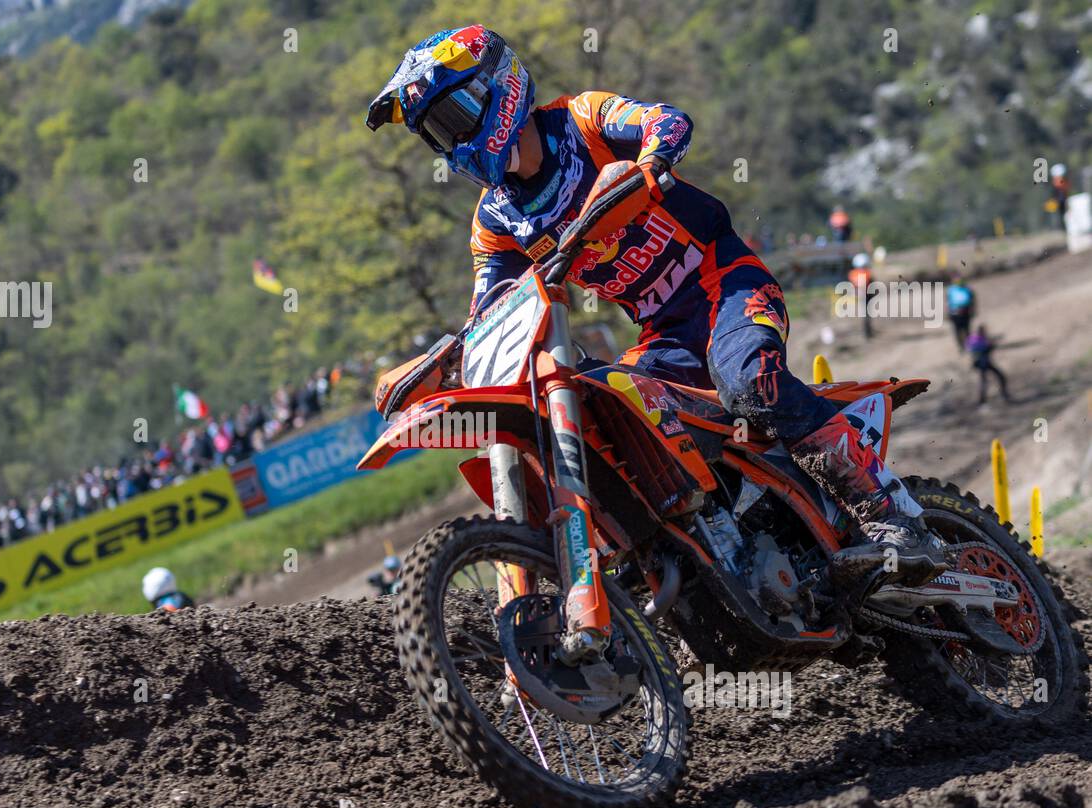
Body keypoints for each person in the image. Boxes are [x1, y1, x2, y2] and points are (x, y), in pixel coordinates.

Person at [366, 24, 945, 585]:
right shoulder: (496, 222)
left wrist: (650, 165)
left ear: (497, 89)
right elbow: (488, 309)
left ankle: (894, 517)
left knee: (747, 383)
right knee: (616, 417)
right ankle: (712, 557)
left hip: (727, 285)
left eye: (453, 118)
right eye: (436, 134)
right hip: (665, 333)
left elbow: (665, 120)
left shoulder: (582, 121)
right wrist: (446, 363)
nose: (452, 141)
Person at [965, 324, 1012, 406]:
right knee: (988, 381)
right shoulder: (977, 340)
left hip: (985, 363)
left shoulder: (977, 339)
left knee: (995, 379)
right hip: (982, 364)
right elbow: (982, 349)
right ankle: (983, 400)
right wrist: (990, 345)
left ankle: (985, 399)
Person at [945, 274, 976, 352]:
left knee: (967, 330)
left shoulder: (968, 290)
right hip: (955, 313)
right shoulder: (950, 290)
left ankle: (969, 345)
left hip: (965, 312)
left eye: (959, 280)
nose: (958, 282)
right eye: (956, 280)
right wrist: (948, 313)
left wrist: (972, 310)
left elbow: (972, 301)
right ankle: (961, 346)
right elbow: (948, 302)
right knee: (957, 331)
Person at [848, 253, 875, 339]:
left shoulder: (852, 274)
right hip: (865, 296)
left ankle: (866, 332)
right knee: (866, 315)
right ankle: (867, 332)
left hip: (857, 296)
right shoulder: (867, 273)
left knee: (863, 315)